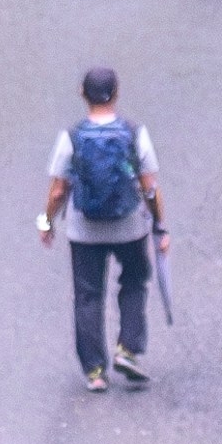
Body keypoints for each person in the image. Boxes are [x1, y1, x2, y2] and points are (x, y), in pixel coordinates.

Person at [36, 72, 165, 389]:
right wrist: (160, 225)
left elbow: (58, 190)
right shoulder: (135, 134)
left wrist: (47, 221)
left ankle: (95, 371)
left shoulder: (72, 137)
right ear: (116, 93)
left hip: (84, 230)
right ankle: (127, 349)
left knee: (88, 296)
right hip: (129, 227)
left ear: (82, 93)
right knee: (135, 282)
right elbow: (149, 186)